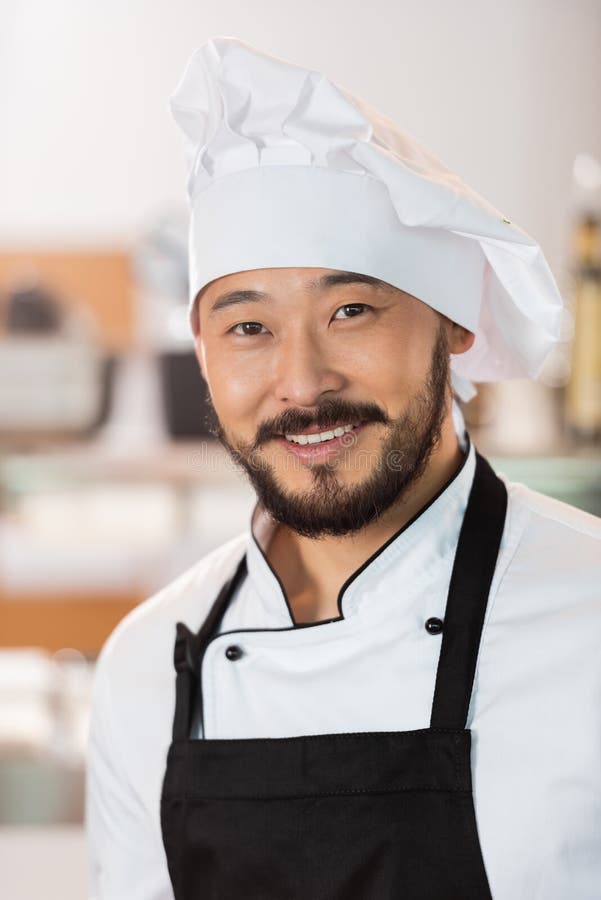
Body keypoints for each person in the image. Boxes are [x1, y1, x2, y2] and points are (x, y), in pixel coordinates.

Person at [85, 36, 601, 900]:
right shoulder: (145, 667)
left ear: (454, 322)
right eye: (248, 327)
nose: (302, 382)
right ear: (204, 357)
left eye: (352, 309)